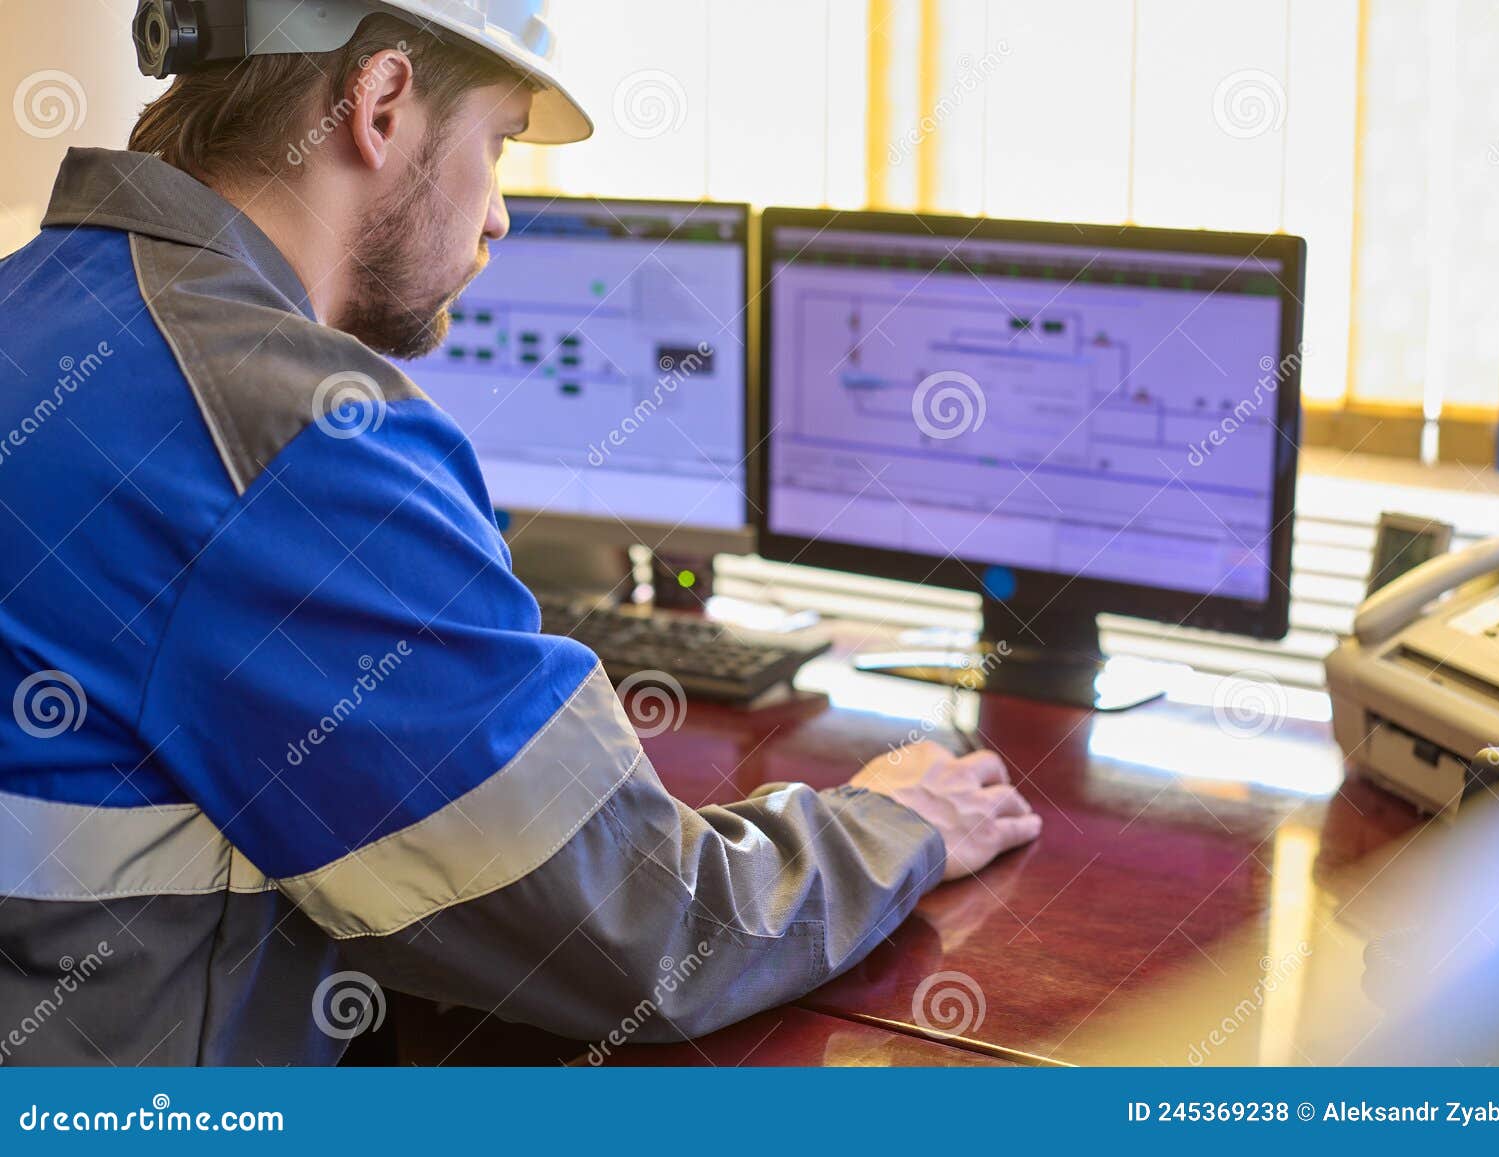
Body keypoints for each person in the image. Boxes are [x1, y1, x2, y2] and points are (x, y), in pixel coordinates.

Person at [0, 0, 1040, 1065]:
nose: (497, 217)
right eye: (496, 143)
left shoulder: (33, 313)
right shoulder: (281, 429)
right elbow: (643, 931)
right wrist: (891, 822)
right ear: (380, 101)